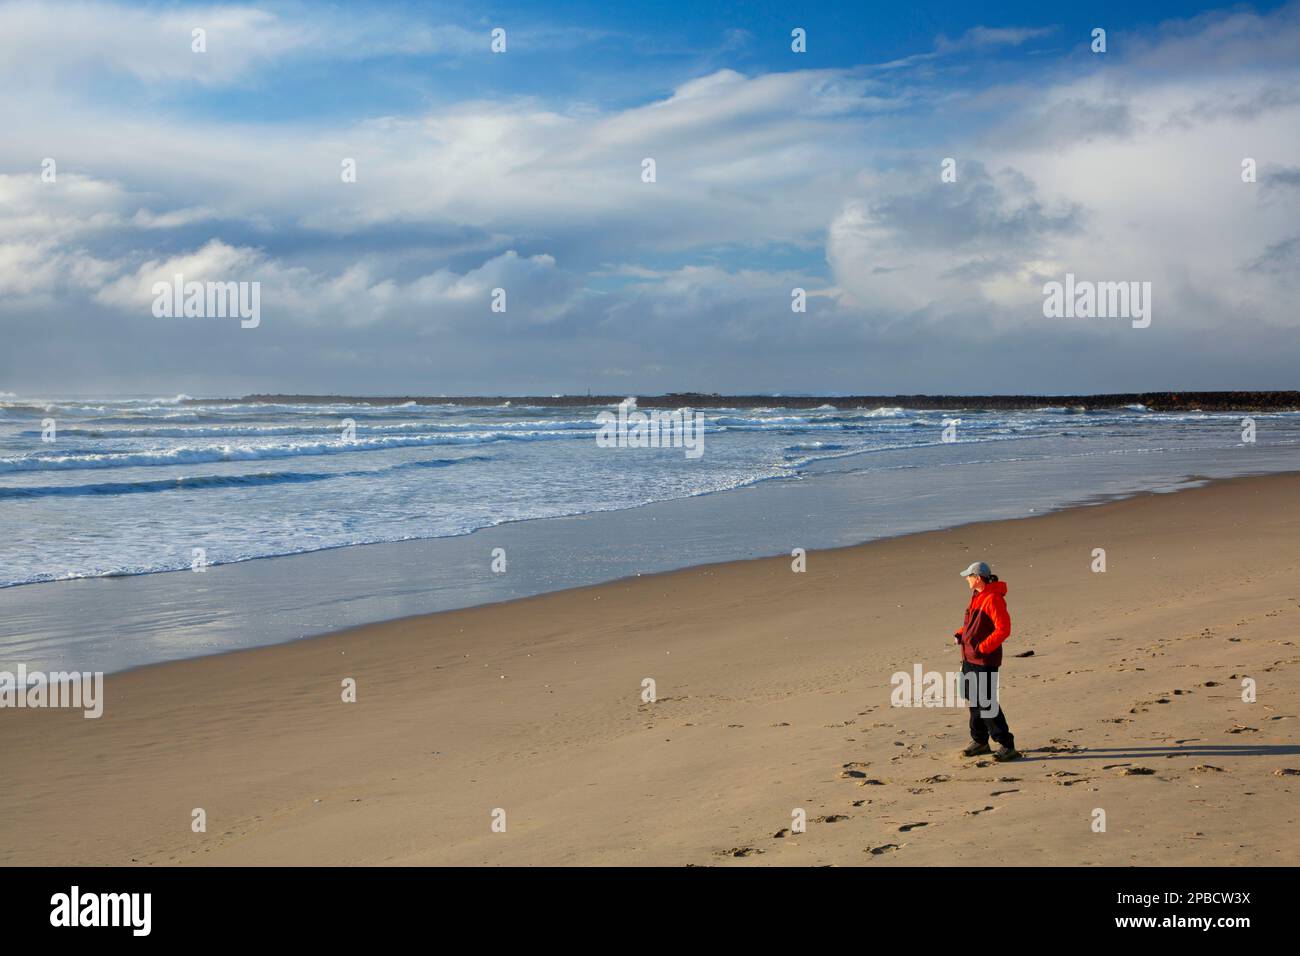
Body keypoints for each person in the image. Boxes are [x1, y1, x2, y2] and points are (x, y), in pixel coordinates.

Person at [953, 561, 1020, 761]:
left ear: (978, 578)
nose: (966, 578)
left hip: (984, 660)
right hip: (969, 658)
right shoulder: (977, 596)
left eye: (969, 575)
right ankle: (980, 742)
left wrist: (982, 648)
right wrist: (960, 634)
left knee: (986, 702)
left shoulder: (992, 598)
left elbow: (1003, 629)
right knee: (973, 700)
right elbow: (972, 625)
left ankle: (1007, 745)